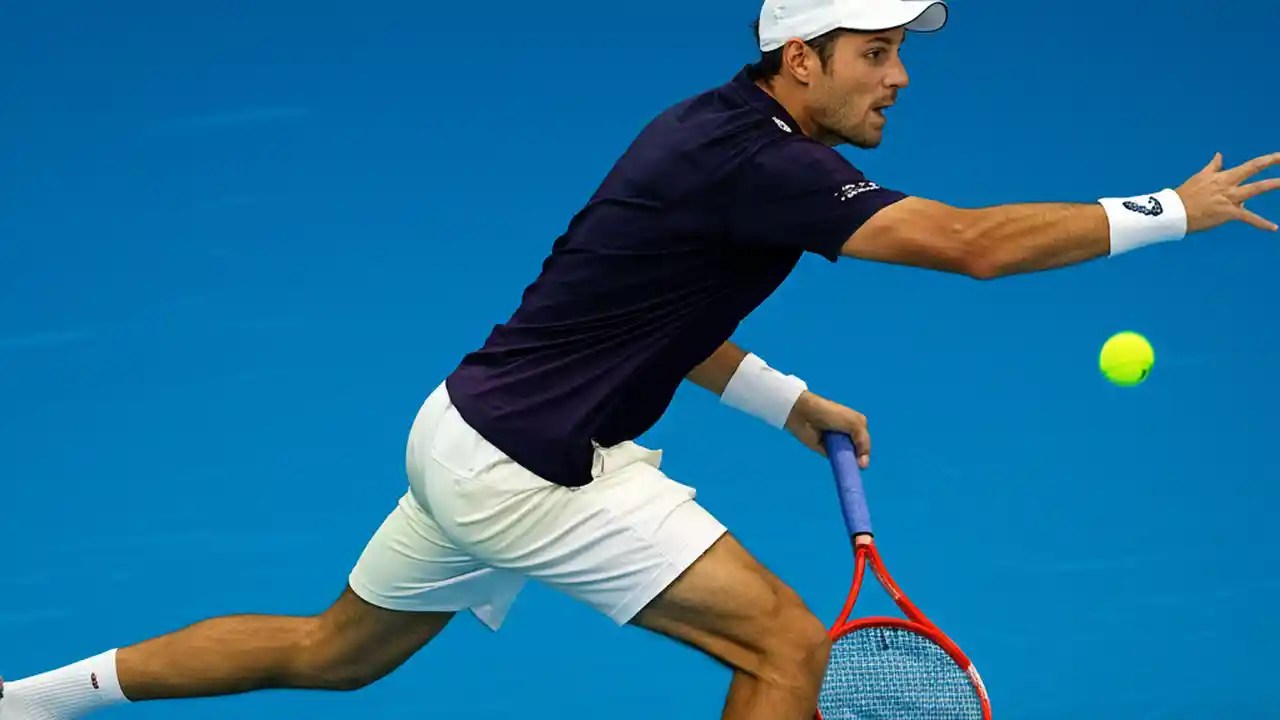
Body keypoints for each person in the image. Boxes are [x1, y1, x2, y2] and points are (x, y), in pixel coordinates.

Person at [4, 0, 1277, 717]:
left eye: (901, 54)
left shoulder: (711, 137)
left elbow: (654, 317)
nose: (896, 79)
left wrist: (782, 402)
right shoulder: (761, 161)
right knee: (787, 651)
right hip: (532, 472)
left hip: (460, 431)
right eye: (875, 54)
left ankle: (26, 701)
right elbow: (968, 247)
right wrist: (1162, 212)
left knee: (331, 652)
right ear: (801, 59)